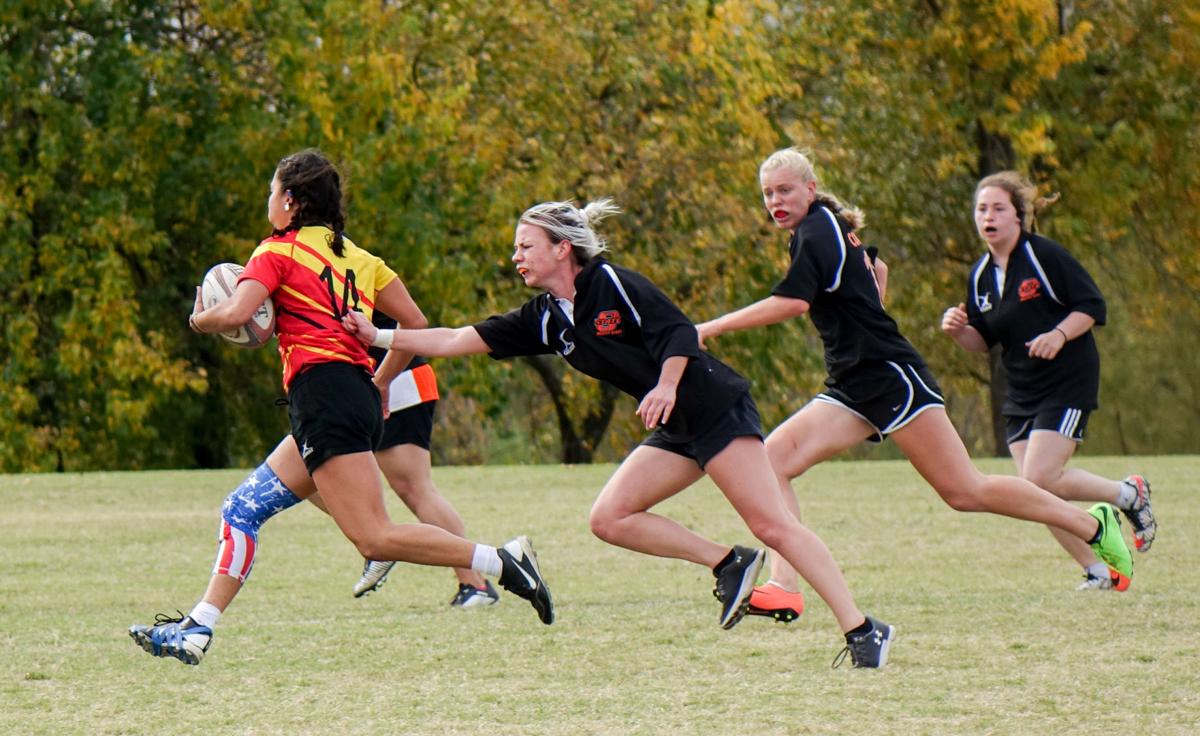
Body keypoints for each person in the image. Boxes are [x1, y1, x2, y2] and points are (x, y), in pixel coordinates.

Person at [345, 198, 897, 668]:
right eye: (516, 248)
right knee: (609, 518)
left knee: (772, 525)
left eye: (526, 245)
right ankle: (727, 562)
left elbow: (680, 332)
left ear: (562, 248)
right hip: (675, 425)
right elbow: (454, 338)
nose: (516, 256)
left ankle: (862, 629)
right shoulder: (547, 317)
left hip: (713, 407)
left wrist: (666, 385)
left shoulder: (609, 282)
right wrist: (381, 336)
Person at [129, 149, 550, 666]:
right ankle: (199, 627)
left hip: (324, 399)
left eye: (271, 192)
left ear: (290, 200)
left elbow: (238, 313)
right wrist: (380, 381)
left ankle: (502, 562)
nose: (268, 202)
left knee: (375, 538)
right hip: (347, 394)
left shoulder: (276, 251)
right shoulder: (358, 257)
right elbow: (414, 325)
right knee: (242, 509)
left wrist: (200, 320)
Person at [694, 147, 1135, 614]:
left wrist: (711, 327)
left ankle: (1093, 526)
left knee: (965, 490)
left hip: (889, 377)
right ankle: (785, 586)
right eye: (768, 194)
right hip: (854, 381)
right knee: (773, 461)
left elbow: (794, 302)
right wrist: (867, 310)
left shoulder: (816, 230)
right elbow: (876, 269)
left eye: (785, 190)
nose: (775, 201)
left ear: (810, 188)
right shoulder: (823, 226)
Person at [941, 171, 1156, 590]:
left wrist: (1058, 334)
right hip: (1022, 389)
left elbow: (1091, 306)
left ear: (1018, 216)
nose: (988, 216)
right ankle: (1098, 570)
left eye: (998, 208)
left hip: (1067, 381)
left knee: (1039, 477)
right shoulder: (981, 275)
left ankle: (1127, 494)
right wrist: (956, 331)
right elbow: (982, 341)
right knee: (1033, 491)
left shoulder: (1043, 256)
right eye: (981, 209)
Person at [310, 314, 500, 607]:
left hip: (395, 380)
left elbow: (411, 319)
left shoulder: (367, 281)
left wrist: (382, 380)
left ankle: (474, 583)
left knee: (416, 489)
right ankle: (382, 540)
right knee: (304, 477)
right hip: (356, 388)